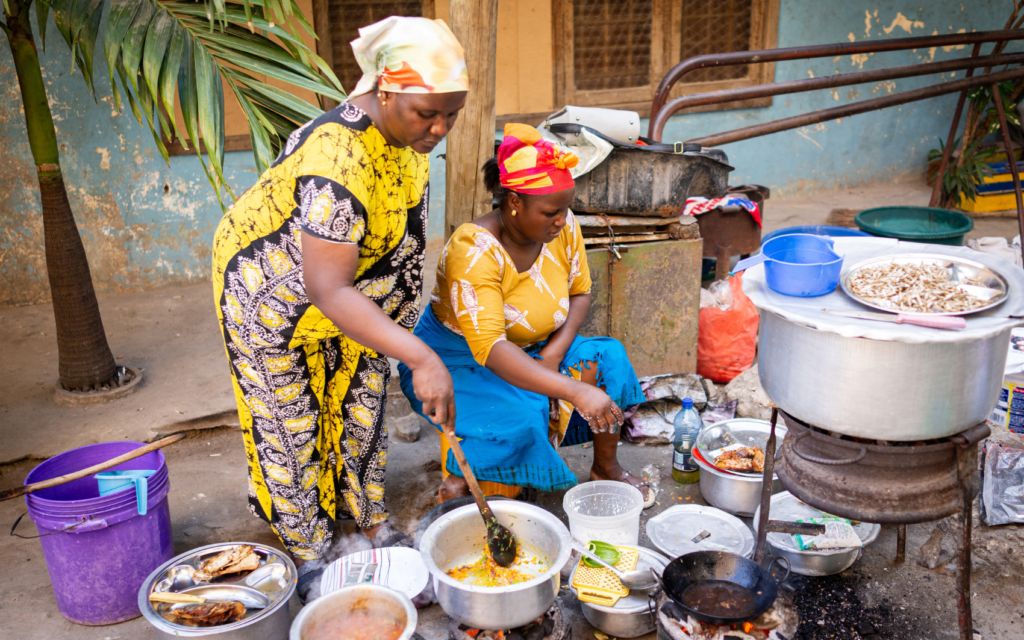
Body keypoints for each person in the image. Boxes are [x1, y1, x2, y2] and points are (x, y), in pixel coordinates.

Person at [211, 16, 467, 602]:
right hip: (272, 297)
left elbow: (398, 240)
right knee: (291, 422)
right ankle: (310, 550)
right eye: (426, 112)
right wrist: (419, 354)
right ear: (384, 90)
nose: (438, 128)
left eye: (449, 114)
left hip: (358, 298)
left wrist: (396, 333)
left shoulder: (407, 145)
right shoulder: (336, 156)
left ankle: (367, 518)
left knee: (363, 406)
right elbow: (327, 287)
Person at [398, 123, 655, 506]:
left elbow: (580, 291)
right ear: (514, 202)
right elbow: (491, 349)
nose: (562, 221)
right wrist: (574, 389)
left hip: (537, 347)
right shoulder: (473, 251)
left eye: (566, 209)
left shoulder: (561, 227)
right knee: (518, 425)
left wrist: (553, 355)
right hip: (463, 360)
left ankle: (606, 467)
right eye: (551, 212)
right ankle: (469, 475)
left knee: (609, 359)